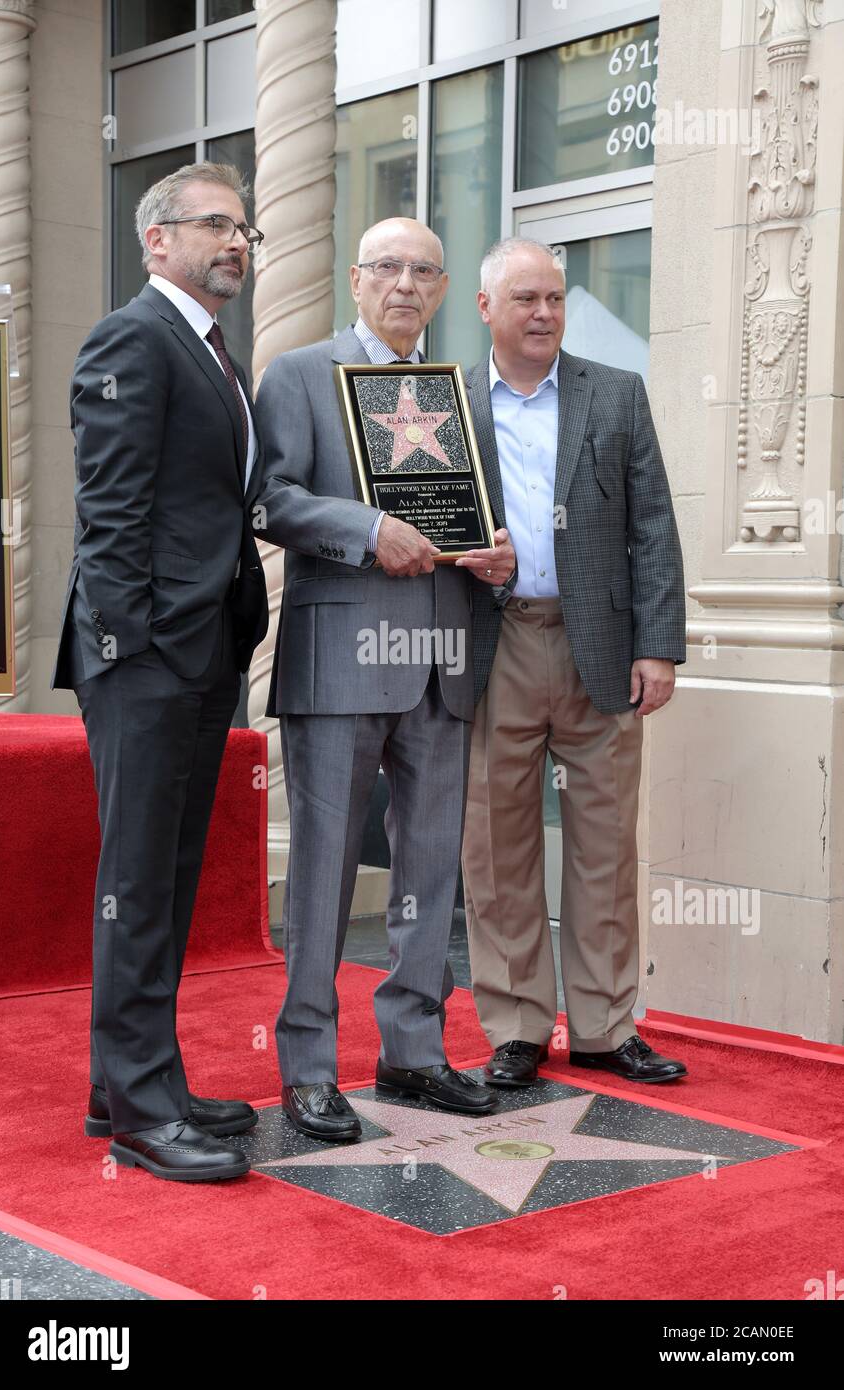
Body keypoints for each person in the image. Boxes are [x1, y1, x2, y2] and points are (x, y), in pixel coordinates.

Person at [252, 217, 514, 1141]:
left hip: (442, 662)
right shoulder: (296, 374)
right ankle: (309, 1068)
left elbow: (478, 514)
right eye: (389, 268)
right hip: (339, 662)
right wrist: (367, 529)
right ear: (358, 280)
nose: (406, 284)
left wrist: (497, 552)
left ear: (443, 292)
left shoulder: (460, 395)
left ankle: (412, 1051)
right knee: (323, 872)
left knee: (429, 873)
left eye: (424, 272)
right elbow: (270, 500)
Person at [51, 162, 269, 1182]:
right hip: (145, 659)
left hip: (202, 650)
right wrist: (129, 649)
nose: (236, 240)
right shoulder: (133, 337)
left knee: (167, 878)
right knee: (137, 884)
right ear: (158, 241)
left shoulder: (214, 350)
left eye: (243, 227)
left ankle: (130, 1082)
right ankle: (142, 1114)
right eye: (215, 224)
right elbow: (110, 511)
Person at [462, 236, 688, 1089]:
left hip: (600, 648)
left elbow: (653, 526)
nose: (545, 313)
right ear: (486, 307)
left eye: (555, 298)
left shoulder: (616, 394)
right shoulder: (445, 406)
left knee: (605, 847)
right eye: (526, 298)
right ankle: (517, 1024)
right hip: (493, 644)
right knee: (495, 845)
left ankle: (603, 1024)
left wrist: (658, 645)